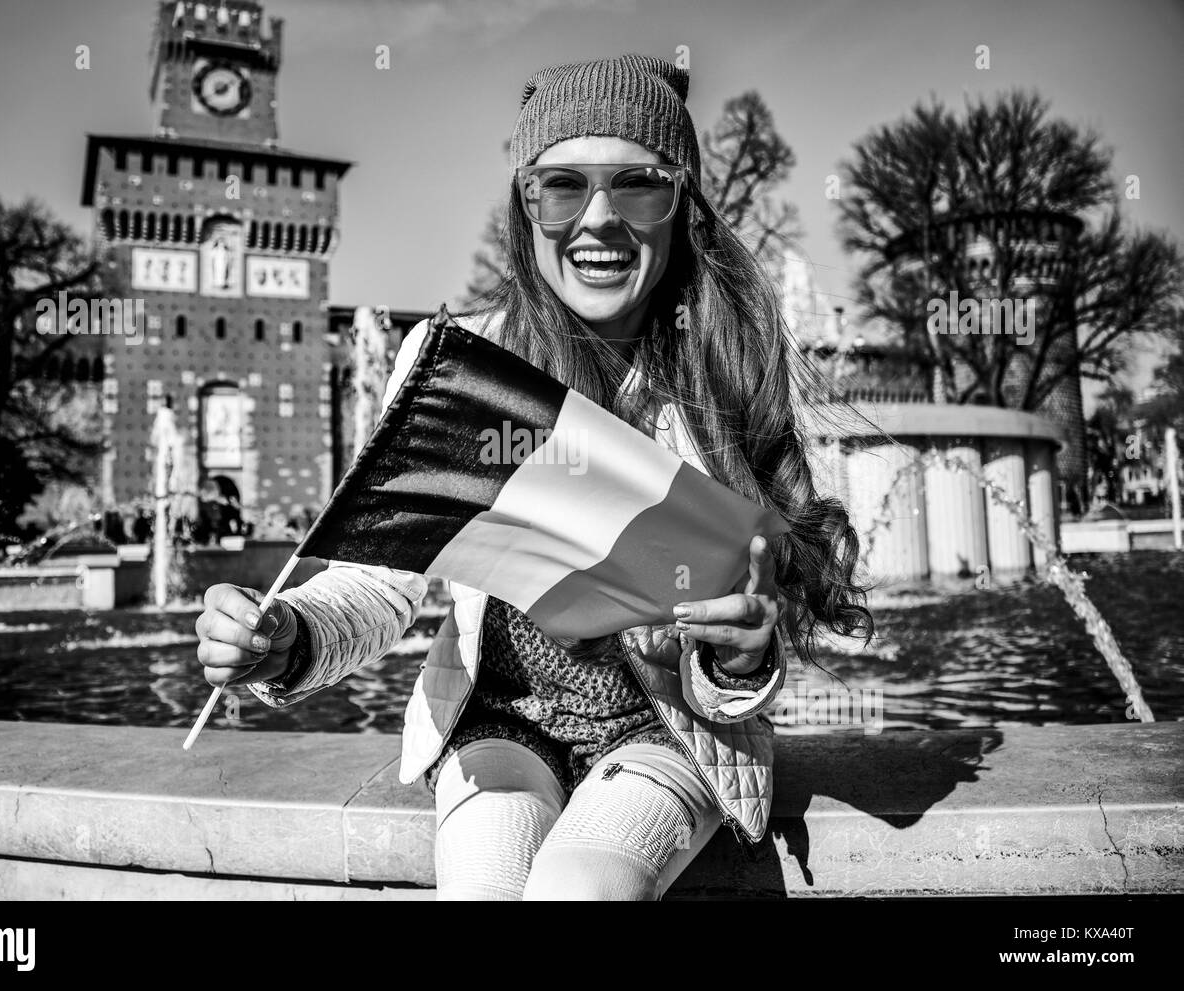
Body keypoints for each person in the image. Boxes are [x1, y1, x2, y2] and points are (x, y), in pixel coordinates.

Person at [193, 53, 872, 900]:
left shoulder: (722, 370)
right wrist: (286, 637)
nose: (598, 220)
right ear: (526, 203)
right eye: (561, 186)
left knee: (581, 888)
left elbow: (766, 622)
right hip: (500, 722)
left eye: (638, 185)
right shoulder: (462, 369)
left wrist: (741, 660)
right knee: (483, 882)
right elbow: (383, 582)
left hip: (672, 733)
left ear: (681, 207)